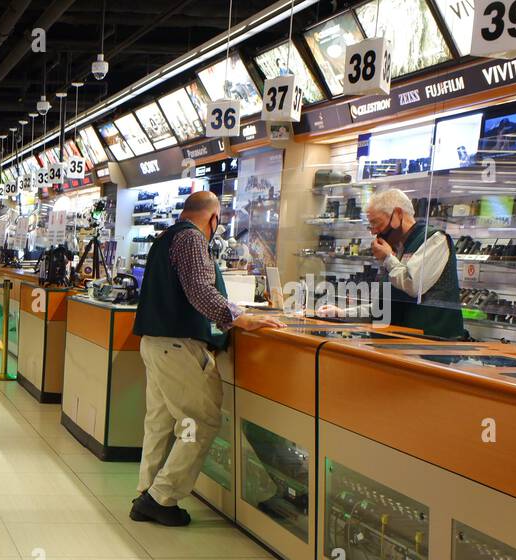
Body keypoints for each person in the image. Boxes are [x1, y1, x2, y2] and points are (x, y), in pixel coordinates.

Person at [131, 191, 285, 527]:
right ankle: (161, 497)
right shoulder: (191, 239)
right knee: (199, 422)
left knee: (160, 423)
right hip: (178, 348)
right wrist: (242, 319)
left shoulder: (166, 237)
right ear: (213, 219)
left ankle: (147, 491)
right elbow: (201, 291)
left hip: (156, 344)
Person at [318, 187, 466, 338]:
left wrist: (388, 259)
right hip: (398, 346)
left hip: (429, 348)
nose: (374, 231)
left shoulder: (434, 240)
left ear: (398, 214)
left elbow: (413, 285)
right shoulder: (398, 249)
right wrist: (341, 313)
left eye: (377, 223)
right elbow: (385, 307)